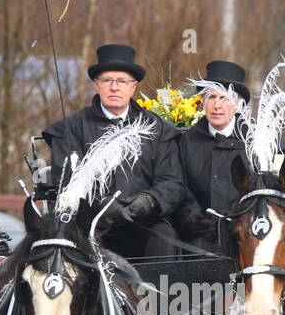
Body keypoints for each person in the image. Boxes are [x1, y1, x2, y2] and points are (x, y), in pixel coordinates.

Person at [42, 43, 192, 259]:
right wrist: (99, 206)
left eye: (122, 81)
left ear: (133, 87)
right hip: (91, 227)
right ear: (96, 84)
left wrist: (149, 200)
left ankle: (158, 294)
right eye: (107, 80)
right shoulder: (72, 128)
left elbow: (172, 181)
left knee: (165, 236)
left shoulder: (157, 129)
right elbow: (66, 182)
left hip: (143, 224)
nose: (114, 87)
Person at [175, 60, 255, 251]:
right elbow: (177, 184)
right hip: (199, 235)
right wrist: (191, 217)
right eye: (211, 97)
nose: (216, 105)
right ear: (202, 102)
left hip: (246, 233)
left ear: (238, 105)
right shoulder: (186, 141)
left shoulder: (255, 142)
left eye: (224, 98)